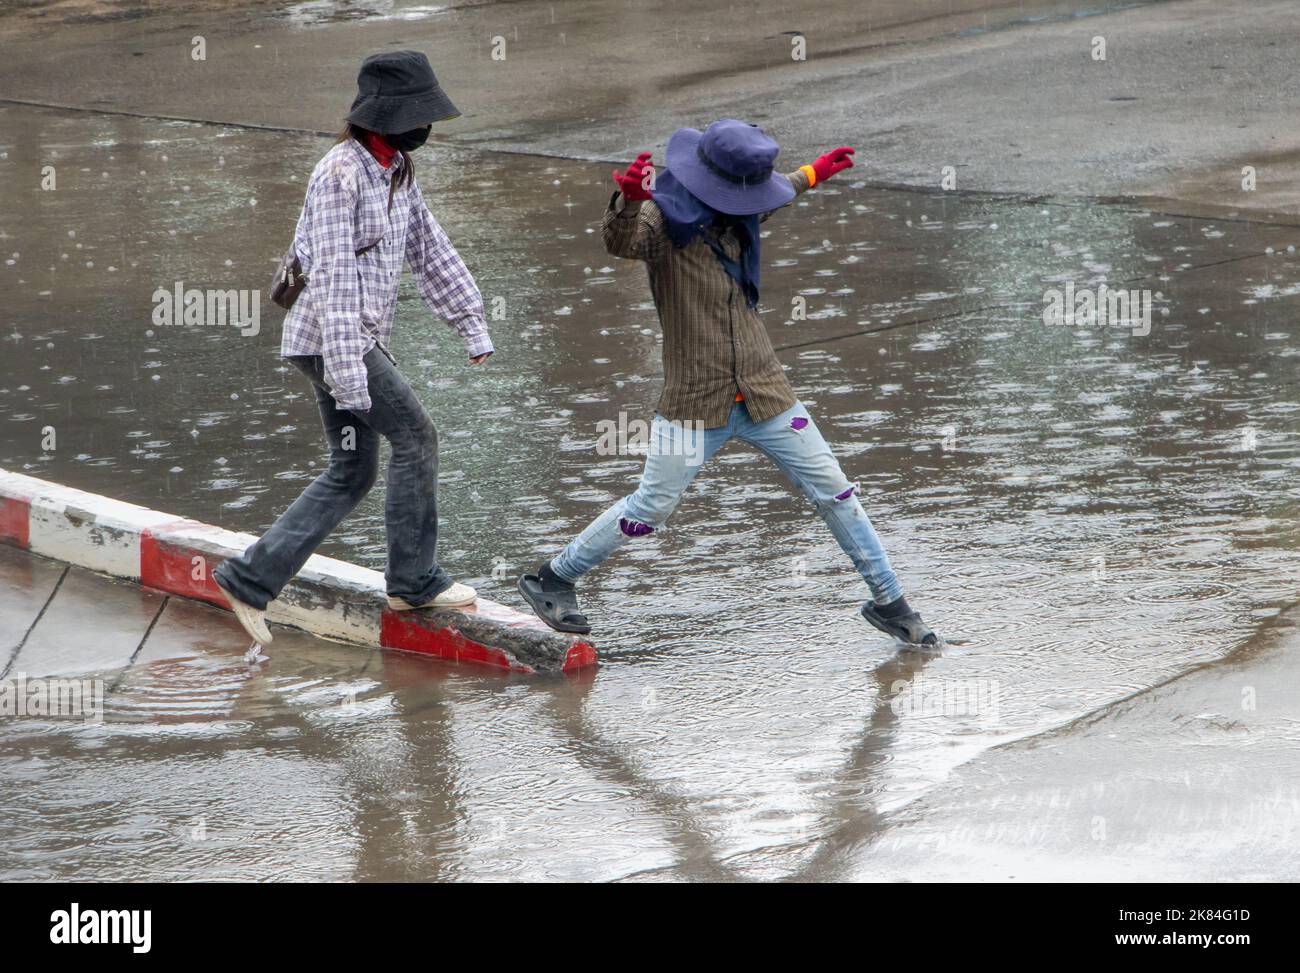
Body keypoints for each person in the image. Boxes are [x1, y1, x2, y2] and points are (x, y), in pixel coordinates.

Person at [518, 119, 938, 646]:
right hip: (696, 400)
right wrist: (626, 200)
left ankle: (892, 604)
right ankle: (553, 577)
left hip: (766, 391)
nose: (751, 205)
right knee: (649, 510)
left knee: (837, 493)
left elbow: (778, 192)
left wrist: (813, 173)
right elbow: (624, 241)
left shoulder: (741, 210)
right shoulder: (663, 220)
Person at [214, 51, 491, 646]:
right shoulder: (338, 175)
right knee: (417, 437)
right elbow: (334, 278)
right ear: (384, 117)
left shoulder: (394, 171)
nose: (426, 127)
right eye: (418, 116)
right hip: (331, 339)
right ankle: (414, 583)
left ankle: (249, 577)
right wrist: (348, 372)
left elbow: (429, 249)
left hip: (346, 341)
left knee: (352, 470)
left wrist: (471, 323)